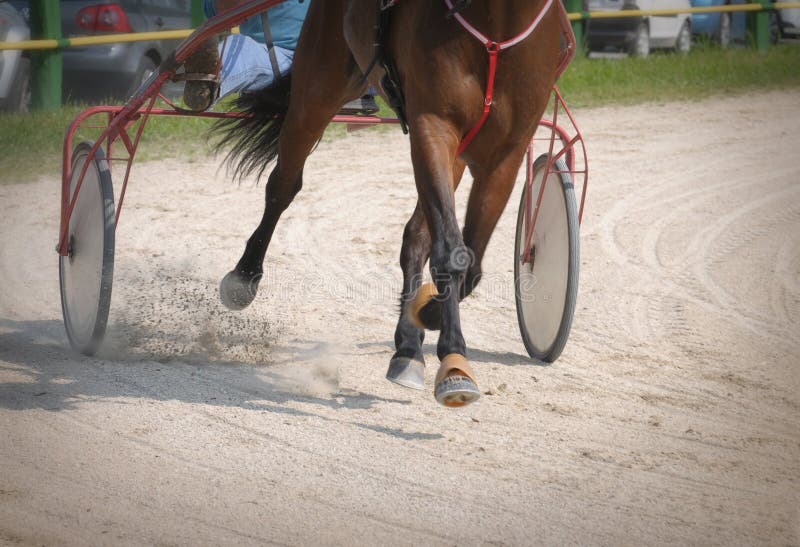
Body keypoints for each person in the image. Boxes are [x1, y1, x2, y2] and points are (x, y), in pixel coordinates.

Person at [183, 0, 378, 115]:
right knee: (239, 44)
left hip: (326, 60)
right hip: (272, 55)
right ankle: (206, 85)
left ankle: (368, 89)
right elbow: (217, 10)